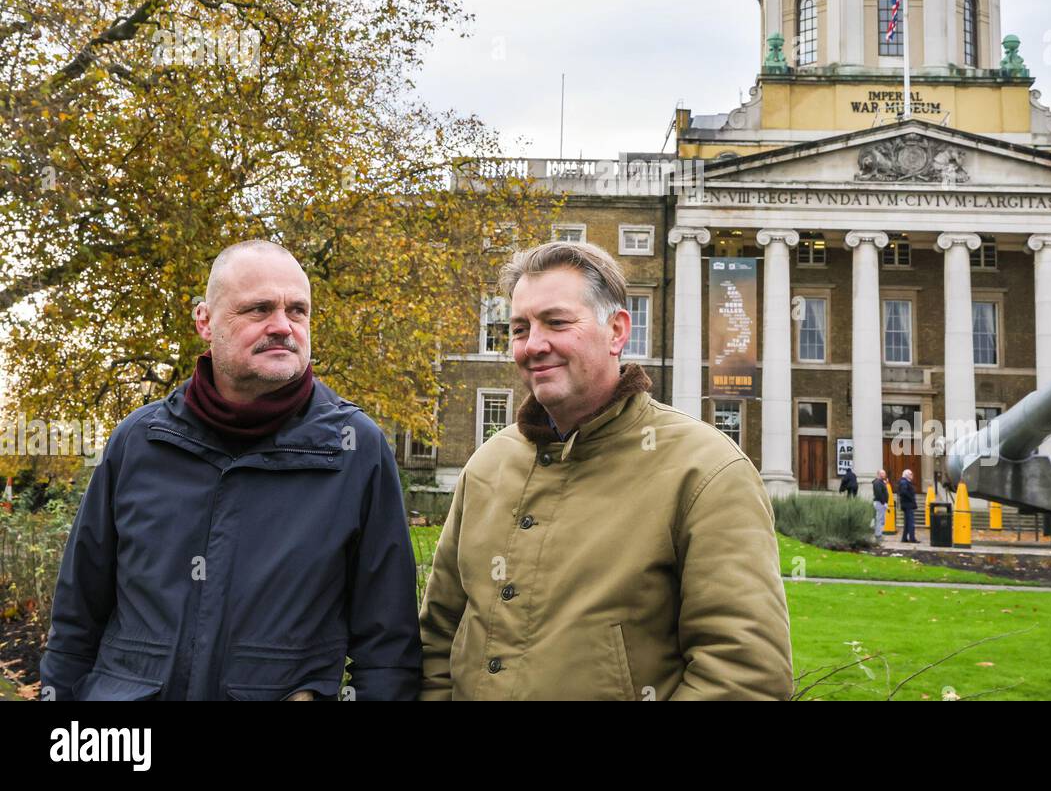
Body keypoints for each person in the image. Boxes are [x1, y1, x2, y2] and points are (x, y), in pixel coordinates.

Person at [40, 240, 420, 701]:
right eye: (259, 309)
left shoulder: (355, 449)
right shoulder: (139, 441)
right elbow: (78, 616)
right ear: (205, 320)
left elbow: (388, 649)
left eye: (297, 311)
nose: (282, 327)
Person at [419, 240, 793, 700]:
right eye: (519, 329)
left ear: (617, 331)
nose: (533, 345)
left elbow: (743, 676)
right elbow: (437, 636)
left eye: (556, 323)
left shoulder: (706, 471)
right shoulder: (488, 465)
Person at [898, 468, 918, 543]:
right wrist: (911, 498)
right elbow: (903, 492)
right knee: (911, 522)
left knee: (907, 523)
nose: (912, 475)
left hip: (907, 504)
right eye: (910, 474)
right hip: (908, 505)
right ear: (906, 475)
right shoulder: (904, 482)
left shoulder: (905, 482)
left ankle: (904, 538)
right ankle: (912, 538)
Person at [872, 469, 889, 541]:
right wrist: (883, 502)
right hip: (879, 503)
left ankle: (879, 534)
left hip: (881, 503)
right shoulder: (877, 482)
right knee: (879, 520)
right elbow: (879, 493)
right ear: (879, 474)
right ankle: (878, 535)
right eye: (883, 473)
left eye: (884, 473)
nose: (885, 475)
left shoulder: (881, 482)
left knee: (881, 520)